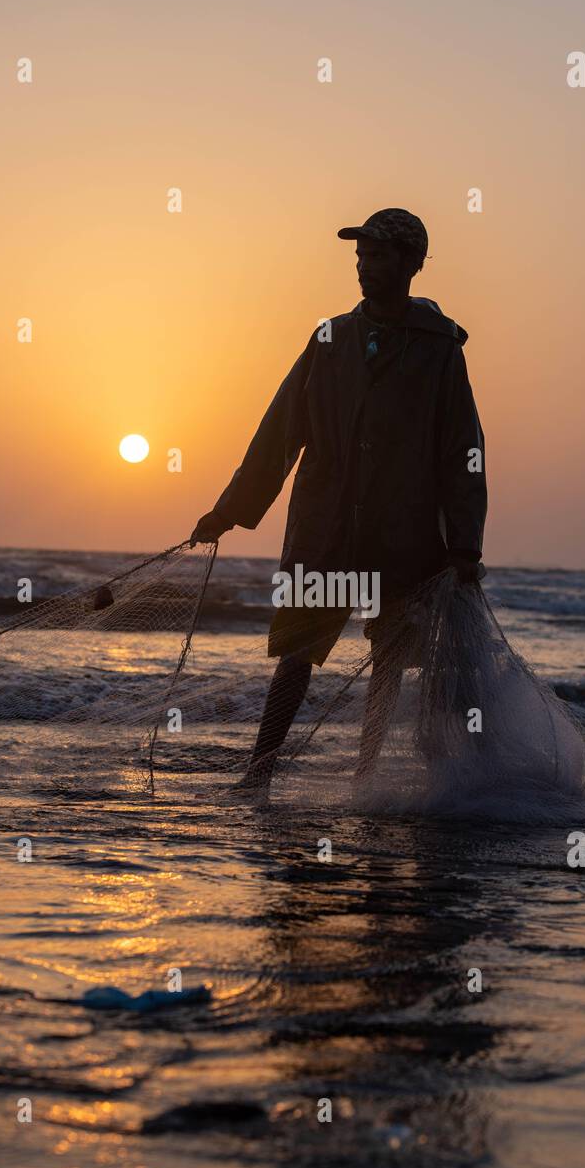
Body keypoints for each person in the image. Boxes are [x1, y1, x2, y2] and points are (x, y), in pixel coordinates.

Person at [192, 208, 487, 790]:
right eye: (360, 255)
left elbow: (463, 452)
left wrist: (465, 546)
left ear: (412, 264)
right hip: (324, 531)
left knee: (388, 662)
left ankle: (366, 778)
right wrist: (230, 509)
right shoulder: (331, 339)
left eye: (377, 256)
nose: (364, 267)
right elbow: (281, 430)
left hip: (403, 537)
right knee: (295, 656)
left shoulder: (439, 352)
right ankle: (258, 774)